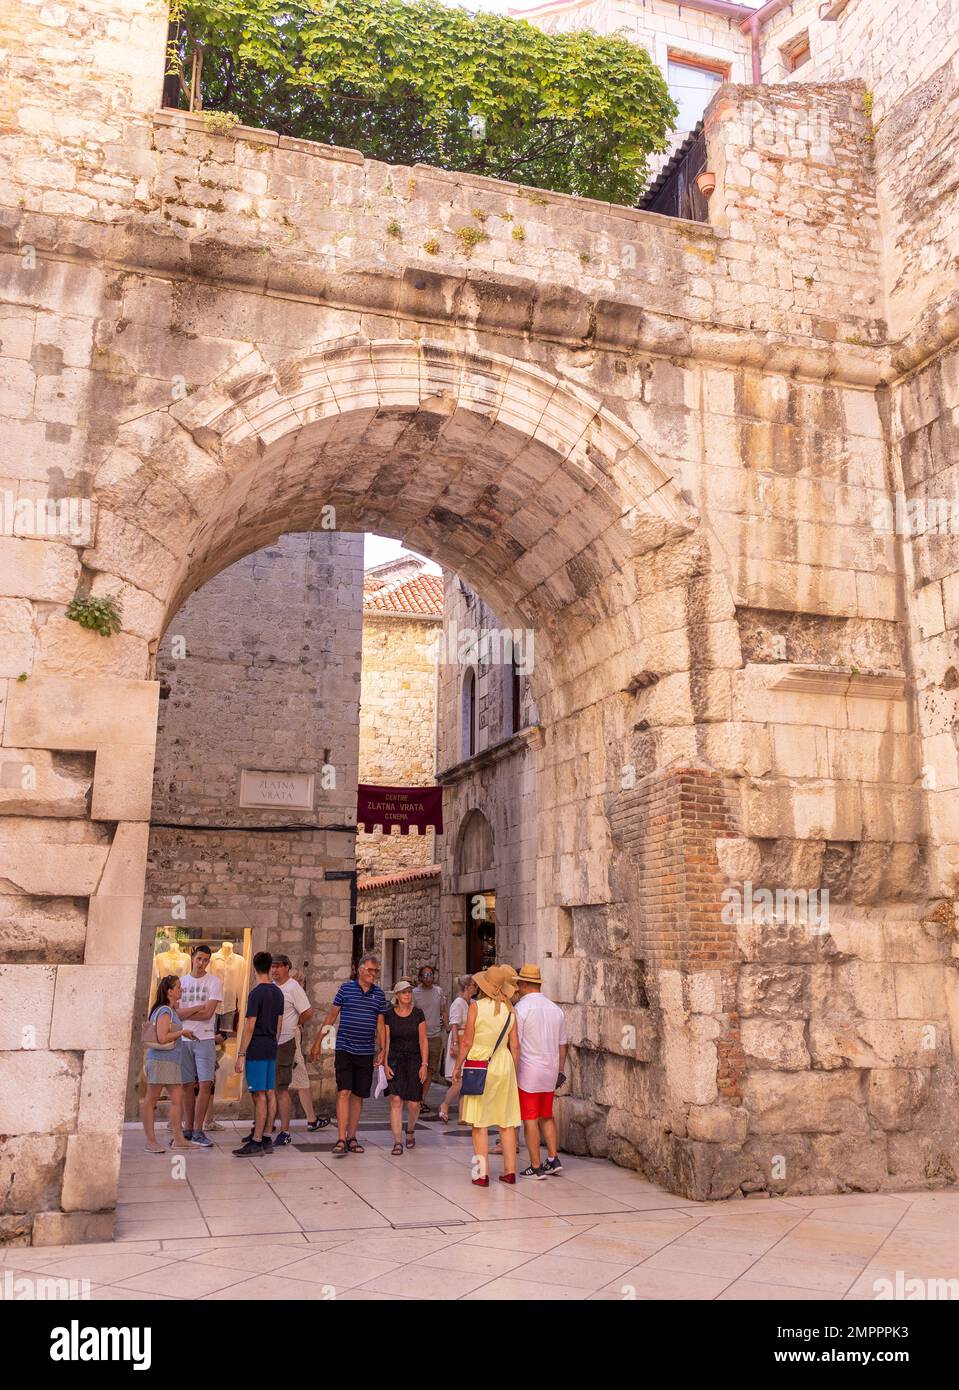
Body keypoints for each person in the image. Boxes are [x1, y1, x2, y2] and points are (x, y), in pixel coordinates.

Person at [309, 952, 387, 1156]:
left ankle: (352, 1136)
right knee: (343, 1091)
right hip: (344, 1047)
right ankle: (341, 1138)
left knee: (359, 1095)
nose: (373, 974)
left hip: (366, 1051)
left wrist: (383, 1050)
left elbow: (380, 1026)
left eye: (376, 971)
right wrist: (317, 1042)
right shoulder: (345, 989)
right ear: (360, 970)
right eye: (370, 970)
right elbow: (331, 1017)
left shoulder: (379, 995)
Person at [453, 964, 521, 1185]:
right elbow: (515, 1045)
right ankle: (510, 1172)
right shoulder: (511, 1010)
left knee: (479, 1124)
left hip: (480, 1064)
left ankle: (481, 1174)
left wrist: (458, 1066)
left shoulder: (476, 1007)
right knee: (506, 1121)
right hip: (504, 1063)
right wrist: (515, 1072)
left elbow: (467, 1041)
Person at [513, 963, 568, 1179]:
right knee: (547, 1115)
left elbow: (517, 1043)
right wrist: (560, 1070)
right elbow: (562, 1043)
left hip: (529, 1071)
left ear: (524, 984)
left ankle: (535, 1165)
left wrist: (514, 1069)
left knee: (529, 1118)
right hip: (550, 1069)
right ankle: (553, 1158)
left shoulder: (521, 1009)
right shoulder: (556, 1009)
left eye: (518, 984)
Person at [233, 951, 284, 1157]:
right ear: (270, 966)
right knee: (270, 1091)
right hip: (271, 1045)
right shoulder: (278, 992)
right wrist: (273, 1040)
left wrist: (241, 1053)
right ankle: (266, 1137)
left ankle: (256, 1141)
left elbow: (250, 1025)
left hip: (257, 1047)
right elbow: (280, 1023)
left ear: (254, 968)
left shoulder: (256, 993)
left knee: (258, 1094)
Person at [269, 954, 323, 1146]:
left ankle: (285, 1129)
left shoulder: (293, 988)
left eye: (278, 967)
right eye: (272, 967)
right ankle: (268, 1125)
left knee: (283, 1087)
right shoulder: (272, 987)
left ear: (287, 968)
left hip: (287, 1042)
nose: (274, 970)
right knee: (273, 1086)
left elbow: (308, 1012)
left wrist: (294, 1024)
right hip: (270, 1043)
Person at [141, 975, 196, 1153]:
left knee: (177, 1100)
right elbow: (162, 1037)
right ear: (170, 991)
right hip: (160, 1061)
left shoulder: (169, 1010)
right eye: (179, 987)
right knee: (152, 1100)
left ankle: (179, 1138)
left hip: (171, 1061)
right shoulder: (165, 1011)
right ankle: (151, 1141)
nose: (182, 990)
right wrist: (182, 1032)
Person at [176, 943, 222, 1148]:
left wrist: (189, 1012)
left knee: (205, 1084)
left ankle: (199, 1129)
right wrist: (197, 1008)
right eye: (199, 958)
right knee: (186, 1085)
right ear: (192, 958)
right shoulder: (181, 982)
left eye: (205, 960)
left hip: (204, 1038)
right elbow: (176, 1013)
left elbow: (208, 1013)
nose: (202, 963)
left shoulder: (214, 982)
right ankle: (187, 1128)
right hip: (184, 1038)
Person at [383, 980, 428, 1155]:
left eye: (409, 992)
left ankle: (410, 1130)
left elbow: (423, 1040)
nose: (407, 995)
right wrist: (385, 1063)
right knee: (395, 1100)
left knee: (414, 1103)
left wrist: (424, 1064)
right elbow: (386, 1042)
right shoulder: (389, 1015)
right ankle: (397, 1141)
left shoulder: (418, 1014)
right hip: (395, 1059)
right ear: (397, 996)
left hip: (414, 1060)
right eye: (403, 992)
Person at [439, 974, 477, 1123]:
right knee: (459, 1080)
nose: (476, 987)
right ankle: (445, 1104)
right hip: (459, 1039)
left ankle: (463, 1115)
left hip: (468, 1040)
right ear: (467, 987)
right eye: (474, 985)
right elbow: (454, 1025)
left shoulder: (473, 1002)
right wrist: (455, 1044)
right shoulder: (458, 1003)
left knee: (466, 1079)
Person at [412, 964, 446, 1112]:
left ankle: (422, 1100)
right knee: (417, 1068)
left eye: (430, 975)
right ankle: (414, 1097)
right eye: (425, 975)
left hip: (435, 1037)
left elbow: (443, 1011)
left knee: (431, 1069)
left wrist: (448, 1026)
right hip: (418, 1037)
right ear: (420, 977)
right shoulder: (414, 993)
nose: (428, 977)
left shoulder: (438, 991)